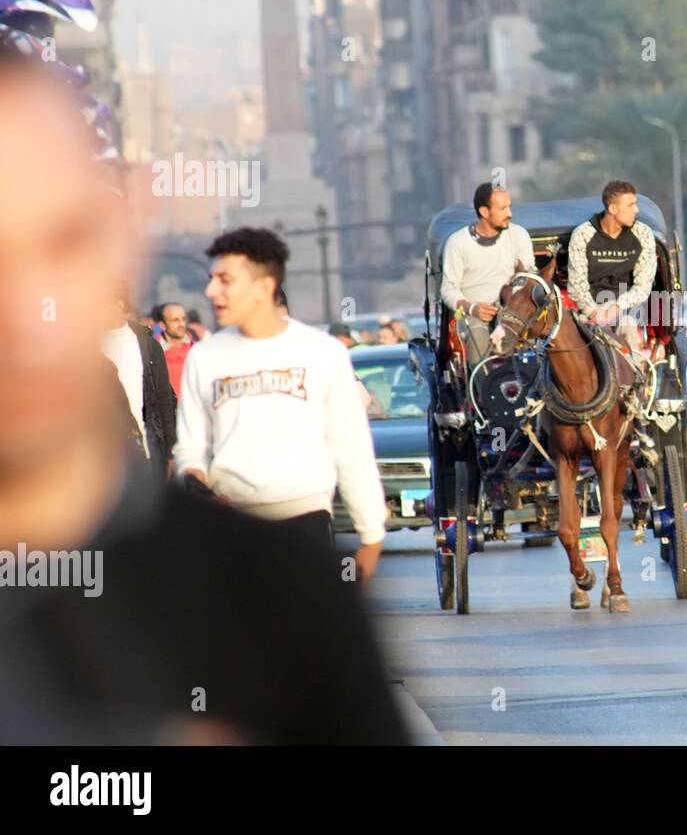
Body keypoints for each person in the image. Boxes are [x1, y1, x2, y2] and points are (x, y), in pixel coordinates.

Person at [0, 49, 405, 744]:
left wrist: (369, 527)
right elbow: (185, 437)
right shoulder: (210, 359)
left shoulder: (279, 605)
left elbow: (346, 440)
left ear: (122, 241)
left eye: (63, 243)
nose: (25, 311)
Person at [173, 227, 388, 584]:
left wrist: (371, 535)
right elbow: (192, 445)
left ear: (263, 287)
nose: (211, 291)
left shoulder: (322, 352)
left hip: (305, 522)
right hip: (231, 526)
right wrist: (192, 471)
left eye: (225, 280)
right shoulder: (205, 357)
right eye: (212, 280)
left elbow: (351, 449)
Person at [440, 182, 535, 368]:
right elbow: (449, 288)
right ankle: (482, 391)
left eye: (509, 207)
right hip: (474, 315)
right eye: (502, 208)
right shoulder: (458, 242)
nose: (510, 213)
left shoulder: (519, 235)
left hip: (513, 310)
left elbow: (529, 277)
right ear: (484, 212)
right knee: (476, 333)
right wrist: (472, 308)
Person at [566, 179, 657, 356]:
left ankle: (636, 379)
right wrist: (593, 312)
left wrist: (617, 308)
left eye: (635, 204)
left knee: (628, 327)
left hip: (627, 309)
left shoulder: (643, 234)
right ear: (613, 209)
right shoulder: (583, 234)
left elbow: (643, 286)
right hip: (589, 310)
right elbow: (576, 283)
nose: (636, 210)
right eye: (630, 205)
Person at [102, 283, 176, 477]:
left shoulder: (147, 345)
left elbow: (164, 399)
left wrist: (170, 452)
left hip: (146, 449)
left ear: (118, 306)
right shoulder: (87, 344)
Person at [157, 301, 194, 398]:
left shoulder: (197, 350)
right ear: (162, 325)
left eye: (183, 319)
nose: (181, 324)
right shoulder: (153, 354)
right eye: (175, 320)